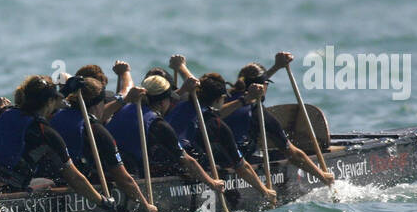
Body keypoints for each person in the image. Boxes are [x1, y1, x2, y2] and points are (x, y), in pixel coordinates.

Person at [0, 74, 116, 212]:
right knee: (49, 183)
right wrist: (102, 201)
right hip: (5, 190)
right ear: (49, 101)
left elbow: (45, 98)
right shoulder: (45, 133)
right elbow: (74, 177)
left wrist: (66, 89)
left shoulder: (7, 112)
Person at [167, 56, 278, 204]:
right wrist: (265, 191)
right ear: (220, 99)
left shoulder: (179, 101)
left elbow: (194, 83)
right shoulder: (216, 124)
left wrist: (180, 67)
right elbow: (241, 166)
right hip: (183, 165)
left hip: (158, 161)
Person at [49, 75, 158, 212]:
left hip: (51, 181)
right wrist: (146, 206)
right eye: (103, 102)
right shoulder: (96, 131)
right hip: (82, 186)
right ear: (96, 105)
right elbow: (122, 178)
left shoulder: (53, 117)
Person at [221, 54, 335, 185]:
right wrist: (322, 176)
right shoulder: (257, 112)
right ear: (263, 86)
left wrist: (276, 67)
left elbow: (255, 82)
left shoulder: (223, 98)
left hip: (212, 157)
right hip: (237, 163)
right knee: (279, 153)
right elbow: (293, 154)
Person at [108, 75, 228, 197]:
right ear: (162, 102)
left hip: (108, 170)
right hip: (130, 177)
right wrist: (212, 183)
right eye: (170, 99)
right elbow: (186, 160)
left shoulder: (123, 108)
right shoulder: (158, 125)